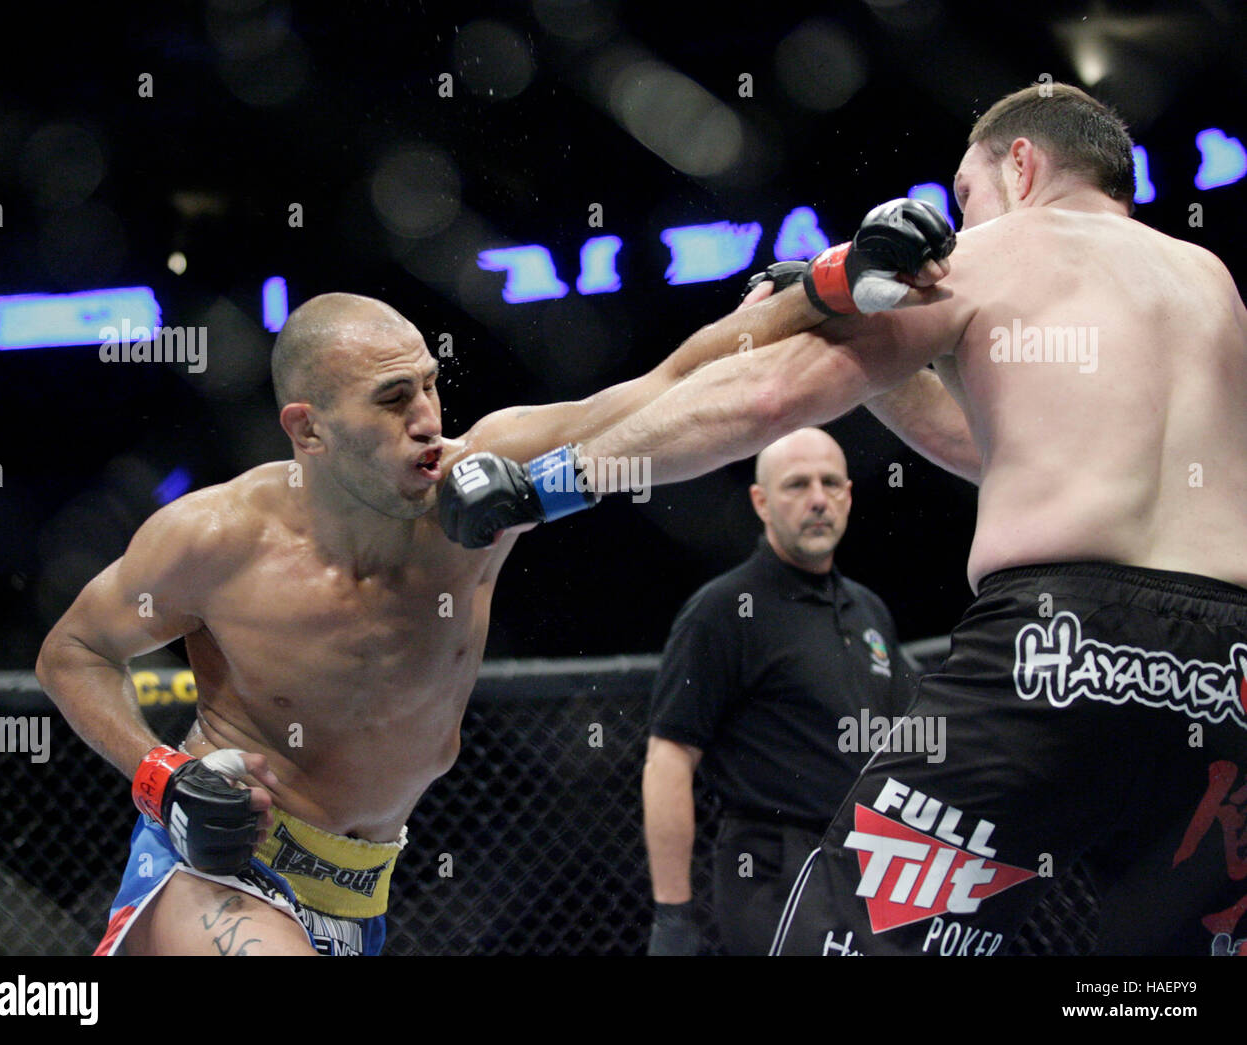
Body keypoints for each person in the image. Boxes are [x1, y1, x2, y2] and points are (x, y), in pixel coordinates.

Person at [441, 83, 1247, 956]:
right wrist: (856, 324)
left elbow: (767, 395)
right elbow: (1001, 452)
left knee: (849, 940)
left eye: (964, 195)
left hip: (1054, 651)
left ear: (1021, 164)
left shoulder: (996, 251)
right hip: (1227, 677)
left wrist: (546, 486)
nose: (958, 220)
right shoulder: (1211, 284)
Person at [34, 287, 831, 955]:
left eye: (427, 385)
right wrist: (159, 778)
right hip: (223, 868)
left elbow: (668, 384)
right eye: (392, 400)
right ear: (307, 428)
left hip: (361, 893)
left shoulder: (479, 485)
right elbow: (72, 650)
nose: (426, 419)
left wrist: (824, 288)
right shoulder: (214, 541)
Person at [643, 428, 916, 955]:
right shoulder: (724, 609)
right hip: (772, 870)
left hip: (867, 865)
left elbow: (904, 745)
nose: (818, 499)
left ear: (849, 495)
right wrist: (672, 916)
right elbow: (669, 758)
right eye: (797, 485)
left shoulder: (868, 612)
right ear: (760, 502)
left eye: (830, 482)